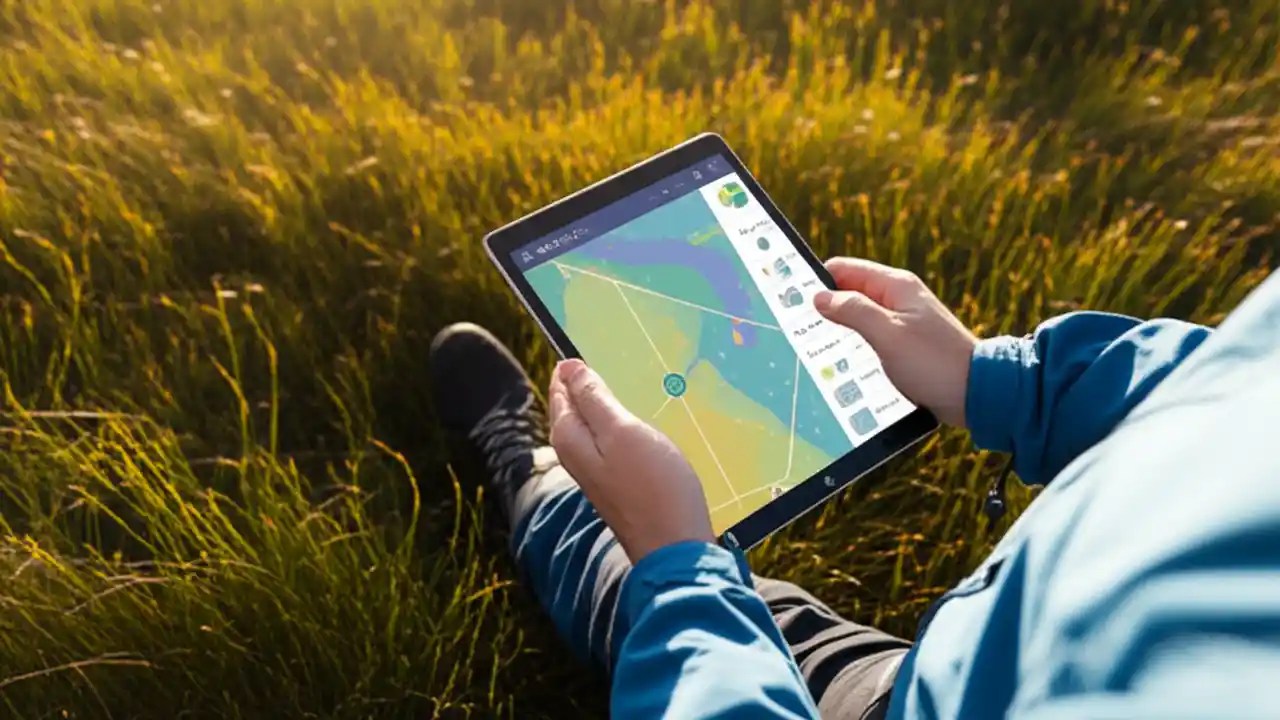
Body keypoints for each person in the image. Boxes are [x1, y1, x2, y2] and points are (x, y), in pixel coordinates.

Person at [428, 258, 1280, 718]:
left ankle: (538, 487)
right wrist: (1003, 381)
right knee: (781, 626)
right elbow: (1239, 394)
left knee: (632, 573)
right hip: (945, 682)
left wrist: (679, 572)